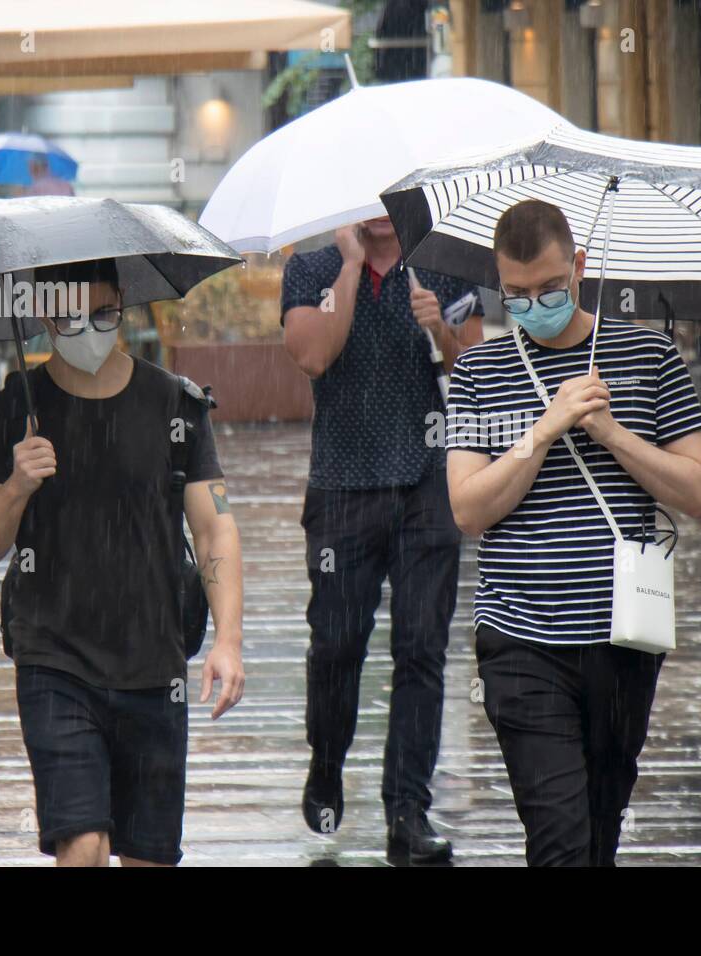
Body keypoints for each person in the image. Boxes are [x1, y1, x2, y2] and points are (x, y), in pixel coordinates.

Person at [446, 199, 701, 866]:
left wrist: (611, 432)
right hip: (520, 638)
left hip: (622, 636)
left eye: (550, 288)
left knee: (599, 830)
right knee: (558, 839)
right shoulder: (479, 372)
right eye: (517, 294)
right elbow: (468, 509)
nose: (535, 304)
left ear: (581, 269)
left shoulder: (649, 353)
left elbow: (698, 492)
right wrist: (543, 430)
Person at [0, 258, 245, 866]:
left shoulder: (176, 405)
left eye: (103, 311)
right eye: (69, 313)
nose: (87, 325)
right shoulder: (9, 411)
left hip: (153, 663)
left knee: (148, 857)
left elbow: (214, 526)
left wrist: (229, 641)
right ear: (42, 314)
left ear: (123, 304)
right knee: (83, 844)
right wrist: (17, 485)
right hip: (54, 661)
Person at [281, 215, 485, 864]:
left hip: (428, 484)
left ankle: (408, 810)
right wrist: (347, 268)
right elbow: (313, 354)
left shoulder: (445, 265)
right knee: (337, 646)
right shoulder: (312, 269)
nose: (376, 209)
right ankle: (326, 761)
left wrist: (439, 328)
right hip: (343, 485)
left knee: (422, 650)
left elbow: (478, 370)